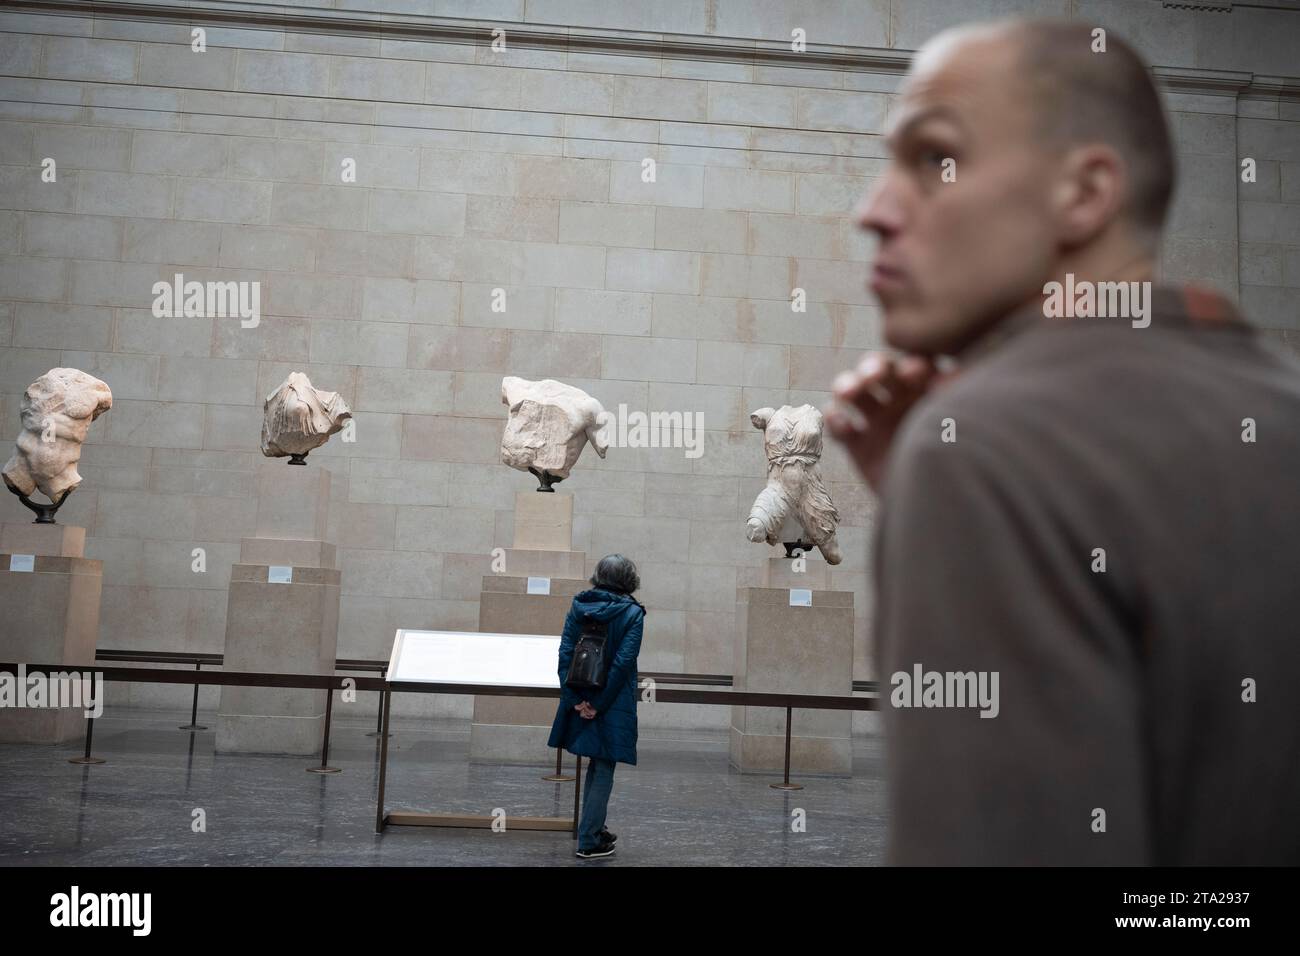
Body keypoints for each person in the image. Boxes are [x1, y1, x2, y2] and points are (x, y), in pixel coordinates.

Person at [825, 19, 1300, 864]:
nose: (873, 211)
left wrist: (970, 481)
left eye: (932, 160)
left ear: (1083, 194)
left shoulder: (985, 451)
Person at [548, 553, 645, 859]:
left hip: (580, 697)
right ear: (629, 580)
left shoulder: (579, 606)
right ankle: (589, 840)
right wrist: (599, 705)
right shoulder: (632, 614)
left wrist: (577, 701)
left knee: (596, 763)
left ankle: (594, 828)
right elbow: (622, 664)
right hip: (611, 702)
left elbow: (564, 654)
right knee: (603, 766)